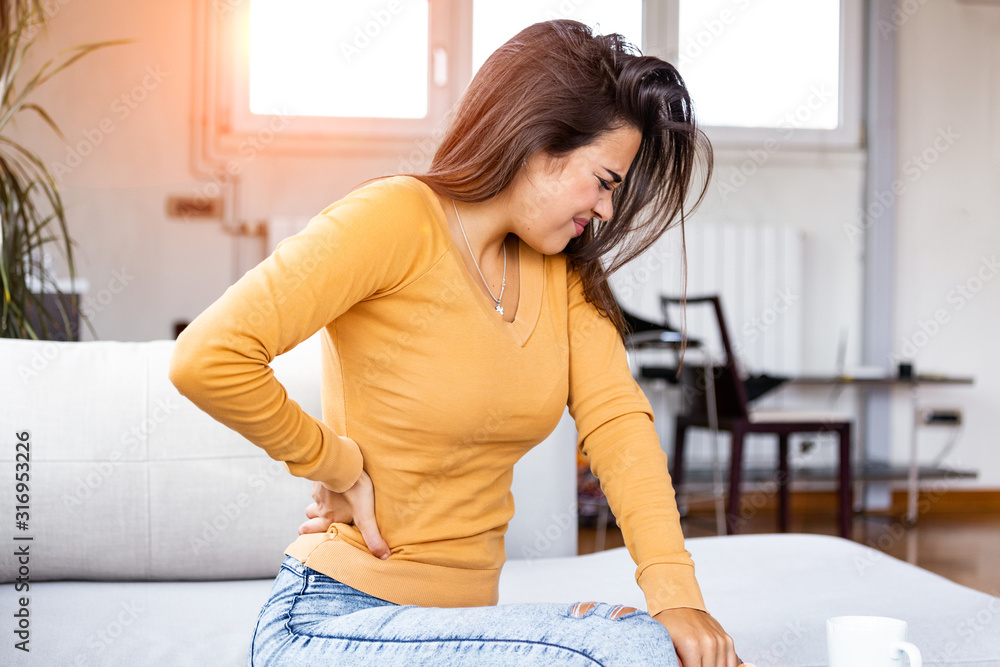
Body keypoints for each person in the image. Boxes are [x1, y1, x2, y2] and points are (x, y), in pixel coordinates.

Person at [169, 19, 744, 667]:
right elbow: (208, 355)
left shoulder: (562, 276)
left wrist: (677, 599)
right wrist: (335, 463)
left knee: (661, 642)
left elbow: (620, 427)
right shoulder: (394, 219)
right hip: (330, 618)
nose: (608, 211)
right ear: (542, 142)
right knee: (627, 647)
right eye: (605, 181)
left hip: (458, 626)